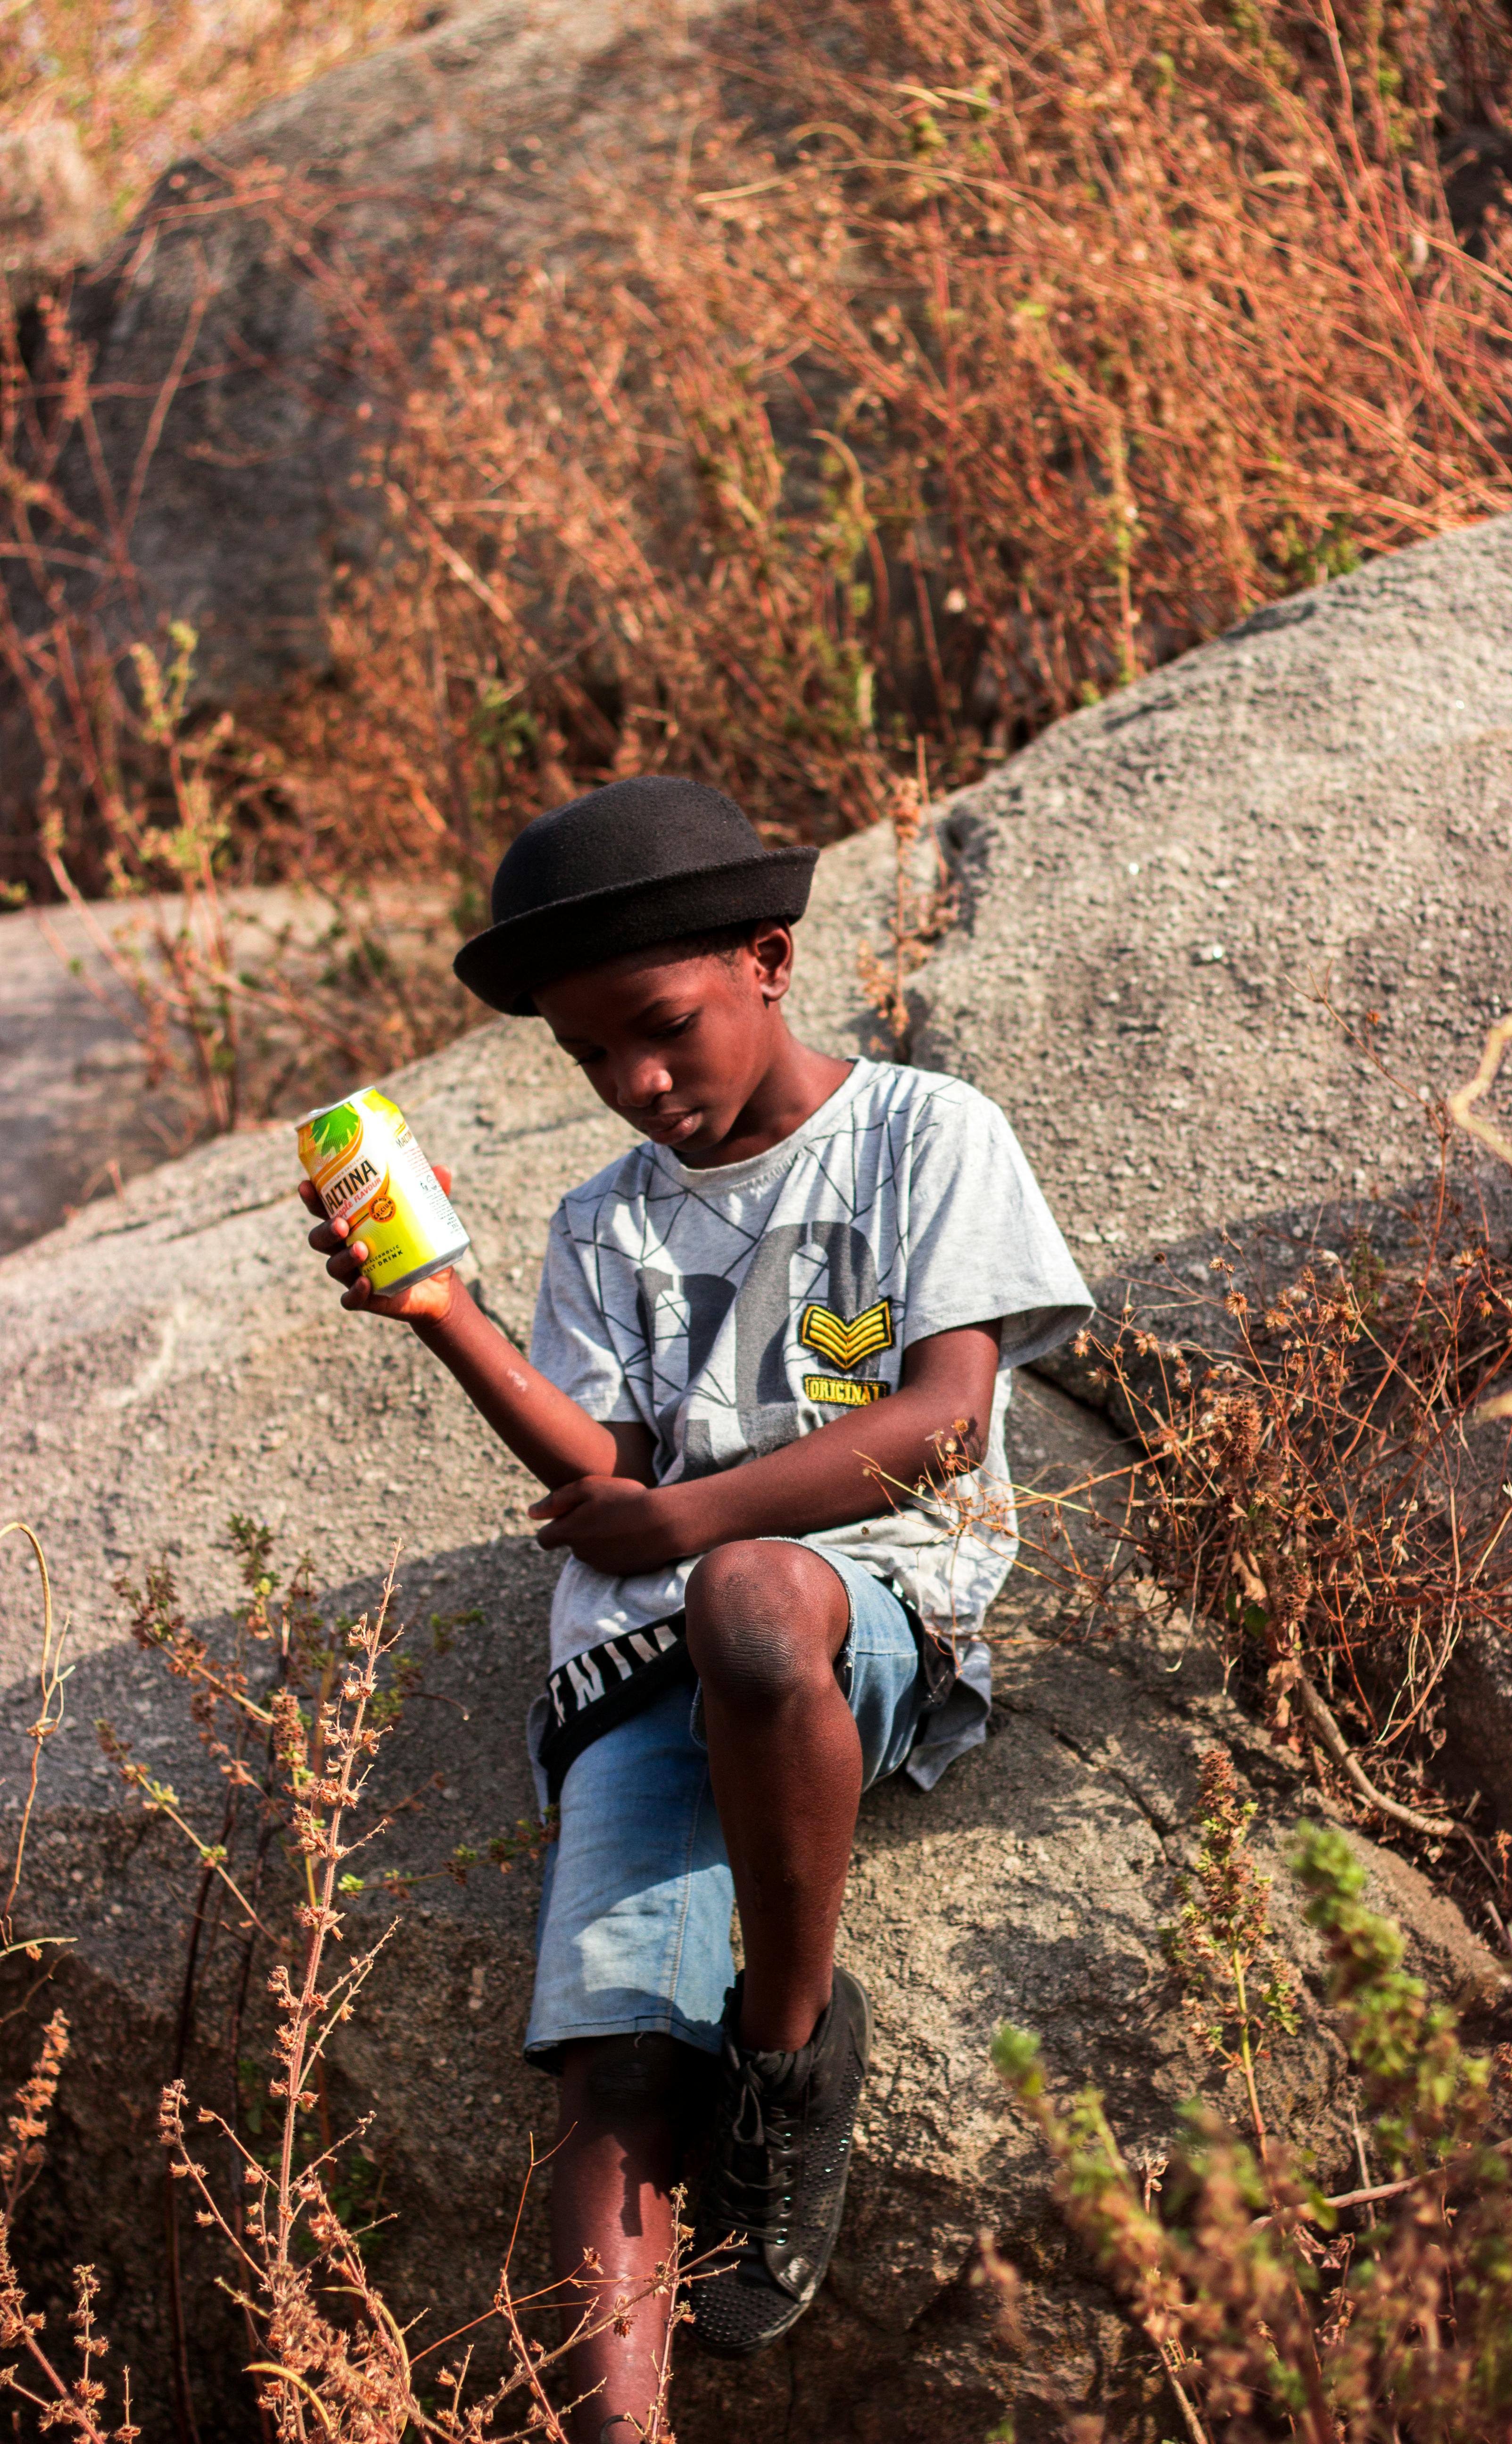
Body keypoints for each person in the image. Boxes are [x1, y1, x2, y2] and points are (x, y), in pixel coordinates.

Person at [301, 776, 1091, 2442]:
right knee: (610, 2068)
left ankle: (792, 2061)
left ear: (771, 957)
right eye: (593, 1057)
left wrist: (687, 1517)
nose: (637, 1083)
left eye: (661, 1029)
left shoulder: (922, 1135)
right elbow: (604, 1456)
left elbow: (943, 1420)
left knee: (744, 1598)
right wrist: (437, 1308)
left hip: (847, 1607)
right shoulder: (605, 1219)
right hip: (635, 1664)